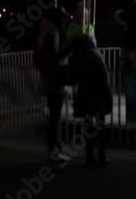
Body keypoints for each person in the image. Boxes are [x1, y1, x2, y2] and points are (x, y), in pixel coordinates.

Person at [66, 34, 112, 165]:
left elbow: (72, 78)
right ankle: (102, 157)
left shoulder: (75, 57)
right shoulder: (97, 56)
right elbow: (104, 78)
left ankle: (90, 157)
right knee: (100, 126)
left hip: (85, 94)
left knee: (88, 126)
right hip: (99, 94)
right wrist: (107, 97)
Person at [34, 9, 71, 161]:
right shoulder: (53, 33)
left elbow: (39, 58)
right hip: (54, 80)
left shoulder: (43, 35)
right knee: (55, 117)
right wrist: (68, 49)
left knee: (53, 116)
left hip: (48, 79)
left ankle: (55, 149)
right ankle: (54, 151)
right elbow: (56, 56)